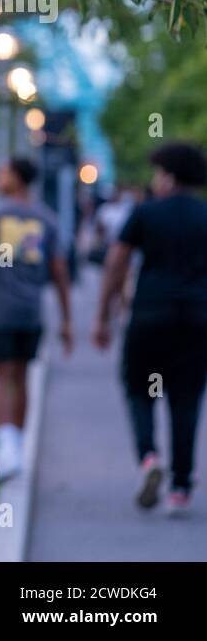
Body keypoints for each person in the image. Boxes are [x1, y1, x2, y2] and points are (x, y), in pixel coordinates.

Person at [94, 142, 207, 515]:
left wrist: (103, 316)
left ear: (170, 176)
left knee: (140, 390)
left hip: (150, 317)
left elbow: (116, 262)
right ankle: (179, 487)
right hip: (195, 321)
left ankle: (148, 456)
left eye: (159, 173)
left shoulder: (146, 213)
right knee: (186, 399)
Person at [0, 157, 72, 482]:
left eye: (3, 172)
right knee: (20, 378)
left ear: (17, 178)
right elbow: (60, 272)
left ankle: (7, 449)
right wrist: (66, 319)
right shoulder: (46, 218)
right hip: (31, 312)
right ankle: (16, 446)